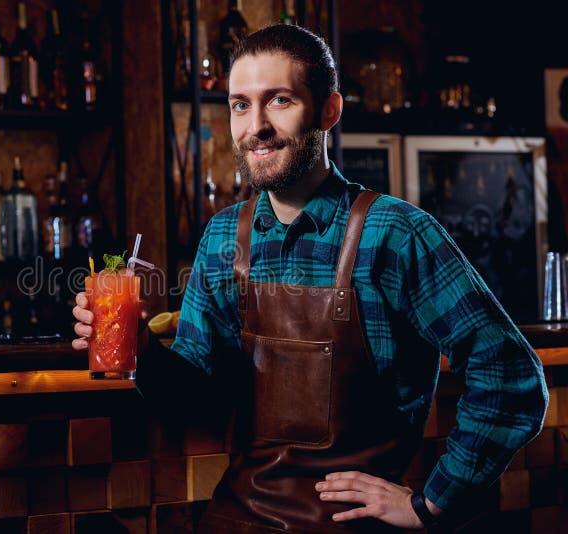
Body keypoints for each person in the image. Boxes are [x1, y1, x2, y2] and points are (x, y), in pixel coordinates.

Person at [72, 24, 548, 533]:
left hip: (349, 525)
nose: (255, 125)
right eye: (239, 105)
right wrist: (143, 351)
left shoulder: (395, 233)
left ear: (328, 111)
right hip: (236, 516)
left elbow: (511, 375)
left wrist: (430, 504)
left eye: (278, 100)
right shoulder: (221, 238)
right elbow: (199, 400)